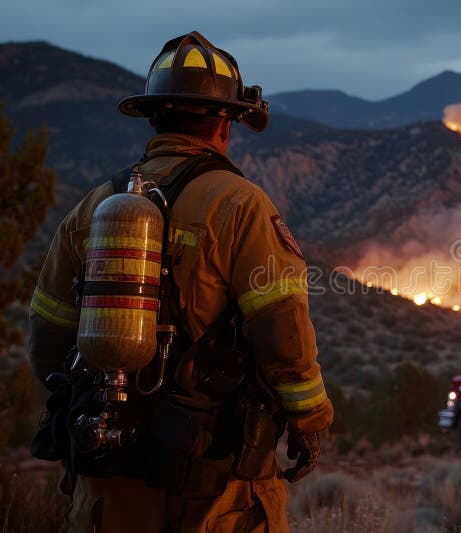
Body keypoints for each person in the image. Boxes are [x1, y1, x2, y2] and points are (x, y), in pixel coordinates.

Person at [28, 31, 333, 532]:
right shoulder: (241, 205)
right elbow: (283, 330)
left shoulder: (94, 207)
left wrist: (100, 400)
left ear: (154, 117)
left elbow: (47, 333)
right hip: (211, 486)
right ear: (226, 122)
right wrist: (310, 420)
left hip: (107, 475)